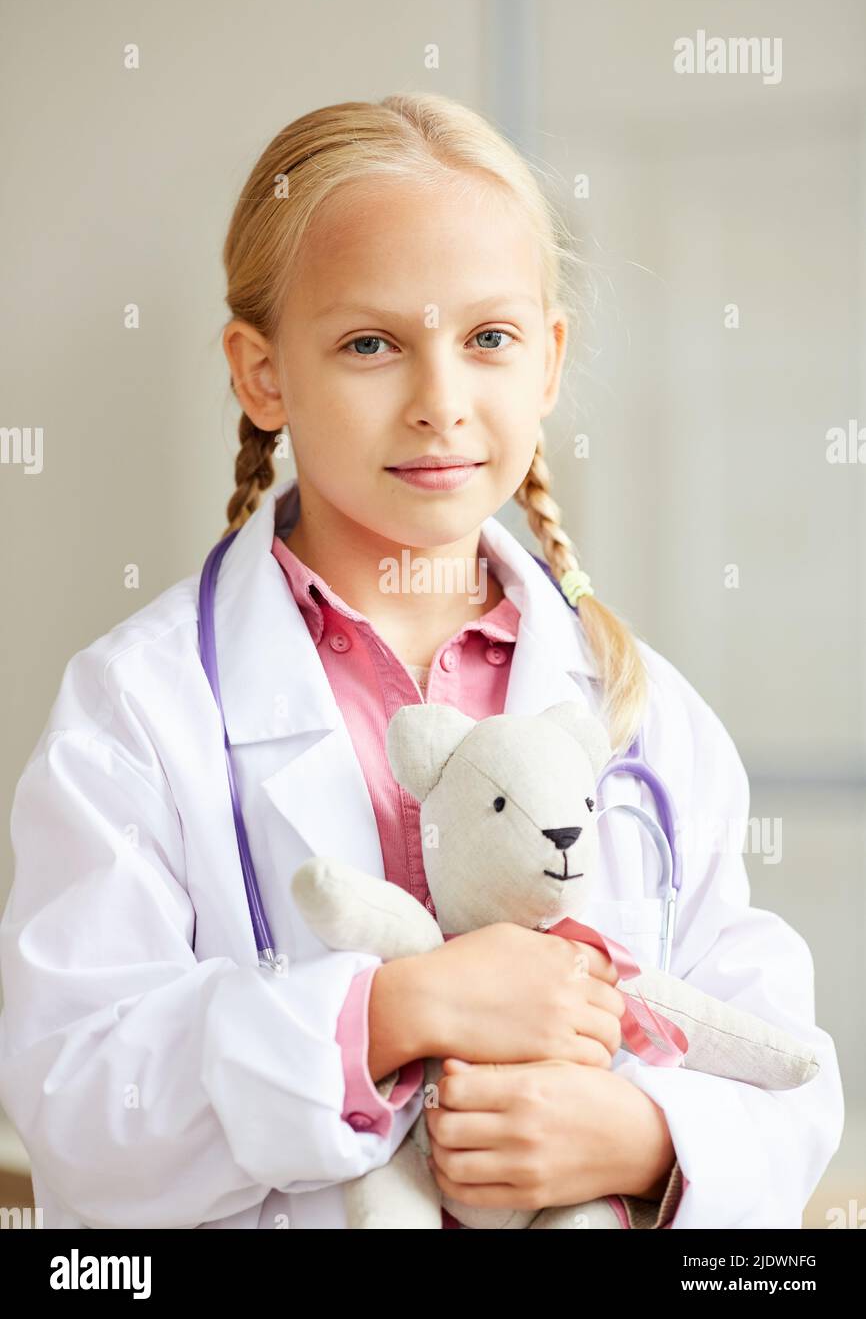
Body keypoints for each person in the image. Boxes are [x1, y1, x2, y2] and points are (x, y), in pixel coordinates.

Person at [0, 93, 843, 1230]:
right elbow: (81, 1099)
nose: (440, 403)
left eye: (487, 339)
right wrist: (387, 1014)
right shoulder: (137, 709)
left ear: (546, 362)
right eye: (369, 344)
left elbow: (779, 1067)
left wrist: (644, 1141)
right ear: (260, 375)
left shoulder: (642, 712)